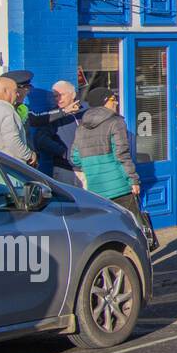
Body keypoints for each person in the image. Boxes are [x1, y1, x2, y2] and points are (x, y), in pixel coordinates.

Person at [73, 88, 155, 250]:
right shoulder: (115, 122)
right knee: (133, 229)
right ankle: (137, 264)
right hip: (119, 186)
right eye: (112, 99)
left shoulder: (82, 126)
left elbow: (74, 157)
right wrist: (133, 179)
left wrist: (93, 166)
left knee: (104, 231)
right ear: (104, 102)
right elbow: (122, 154)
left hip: (96, 188)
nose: (116, 102)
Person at [29, 79, 83, 185]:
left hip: (87, 168)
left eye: (61, 95)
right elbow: (41, 139)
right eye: (55, 96)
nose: (58, 99)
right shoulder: (53, 116)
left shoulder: (86, 111)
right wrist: (63, 152)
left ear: (73, 95)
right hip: (65, 169)